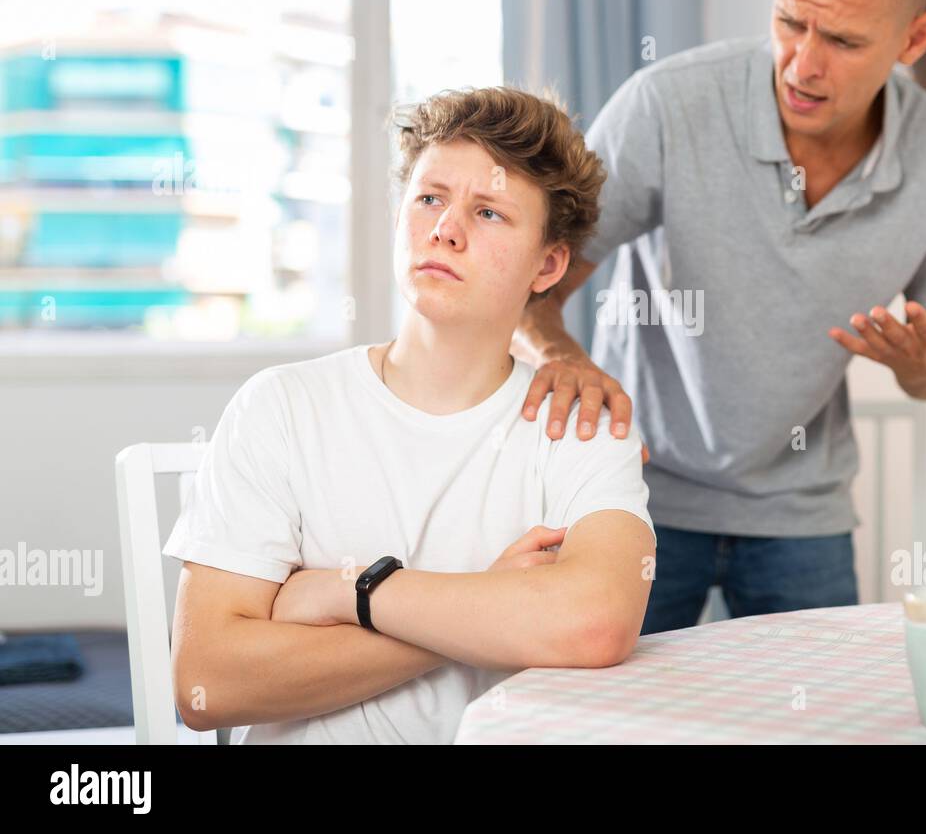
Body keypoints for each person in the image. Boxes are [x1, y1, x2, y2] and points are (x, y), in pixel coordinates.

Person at [511, 0, 926, 633]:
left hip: (803, 517)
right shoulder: (667, 106)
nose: (802, 64)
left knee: (824, 724)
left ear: (915, 39)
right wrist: (560, 356)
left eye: (843, 41)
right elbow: (527, 286)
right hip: (635, 496)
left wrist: (923, 362)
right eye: (790, 22)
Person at [163, 87, 656, 743]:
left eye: (488, 212)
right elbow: (205, 681)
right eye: (429, 198)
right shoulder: (280, 406)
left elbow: (597, 621)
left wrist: (352, 595)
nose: (445, 229)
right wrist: (484, 609)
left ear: (549, 264)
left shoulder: (580, 421)